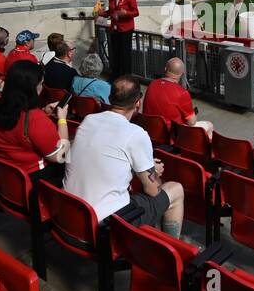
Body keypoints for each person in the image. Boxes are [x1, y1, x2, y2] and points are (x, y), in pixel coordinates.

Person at [65, 75, 185, 236]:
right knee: (175, 190)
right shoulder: (136, 134)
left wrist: (142, 166)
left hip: (70, 213)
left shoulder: (89, 120)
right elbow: (153, 190)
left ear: (110, 97)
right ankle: (171, 248)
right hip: (105, 225)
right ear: (138, 103)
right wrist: (153, 172)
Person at [0, 61, 68, 187]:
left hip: (6, 175)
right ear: (32, 88)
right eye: (40, 84)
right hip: (32, 179)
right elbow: (59, 155)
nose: (42, 87)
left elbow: (19, 123)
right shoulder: (35, 119)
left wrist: (43, 112)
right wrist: (62, 119)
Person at [143, 57, 212, 134]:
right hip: (170, 135)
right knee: (209, 125)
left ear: (165, 69)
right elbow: (191, 122)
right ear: (182, 74)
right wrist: (194, 115)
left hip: (150, 129)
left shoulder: (152, 84)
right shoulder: (182, 93)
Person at [106, 0, 138, 80]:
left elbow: (135, 12)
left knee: (125, 55)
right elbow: (111, 12)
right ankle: (115, 77)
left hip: (125, 30)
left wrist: (126, 13)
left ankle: (126, 78)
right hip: (114, 29)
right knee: (115, 54)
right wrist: (101, 13)